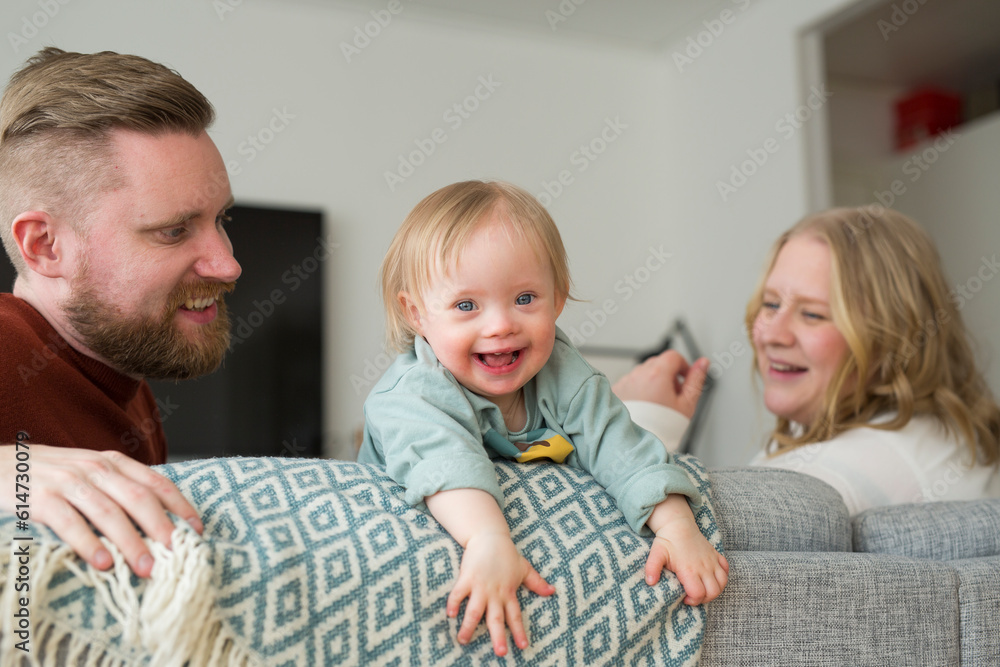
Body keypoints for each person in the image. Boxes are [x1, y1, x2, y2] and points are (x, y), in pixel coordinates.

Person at [358, 180, 728, 657]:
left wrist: (677, 525)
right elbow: (446, 464)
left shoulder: (563, 373)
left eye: (525, 298)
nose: (500, 325)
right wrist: (488, 540)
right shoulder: (411, 395)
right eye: (466, 305)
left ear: (558, 298)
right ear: (417, 315)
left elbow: (618, 441)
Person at [0, 48, 241, 577]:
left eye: (220, 218)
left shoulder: (131, 389)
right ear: (44, 245)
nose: (228, 265)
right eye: (174, 230)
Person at [615, 207, 1000, 515]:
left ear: (892, 339)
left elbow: (677, 539)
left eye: (812, 314)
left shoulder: (860, 467)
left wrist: (636, 424)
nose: (770, 334)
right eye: (771, 305)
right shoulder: (930, 436)